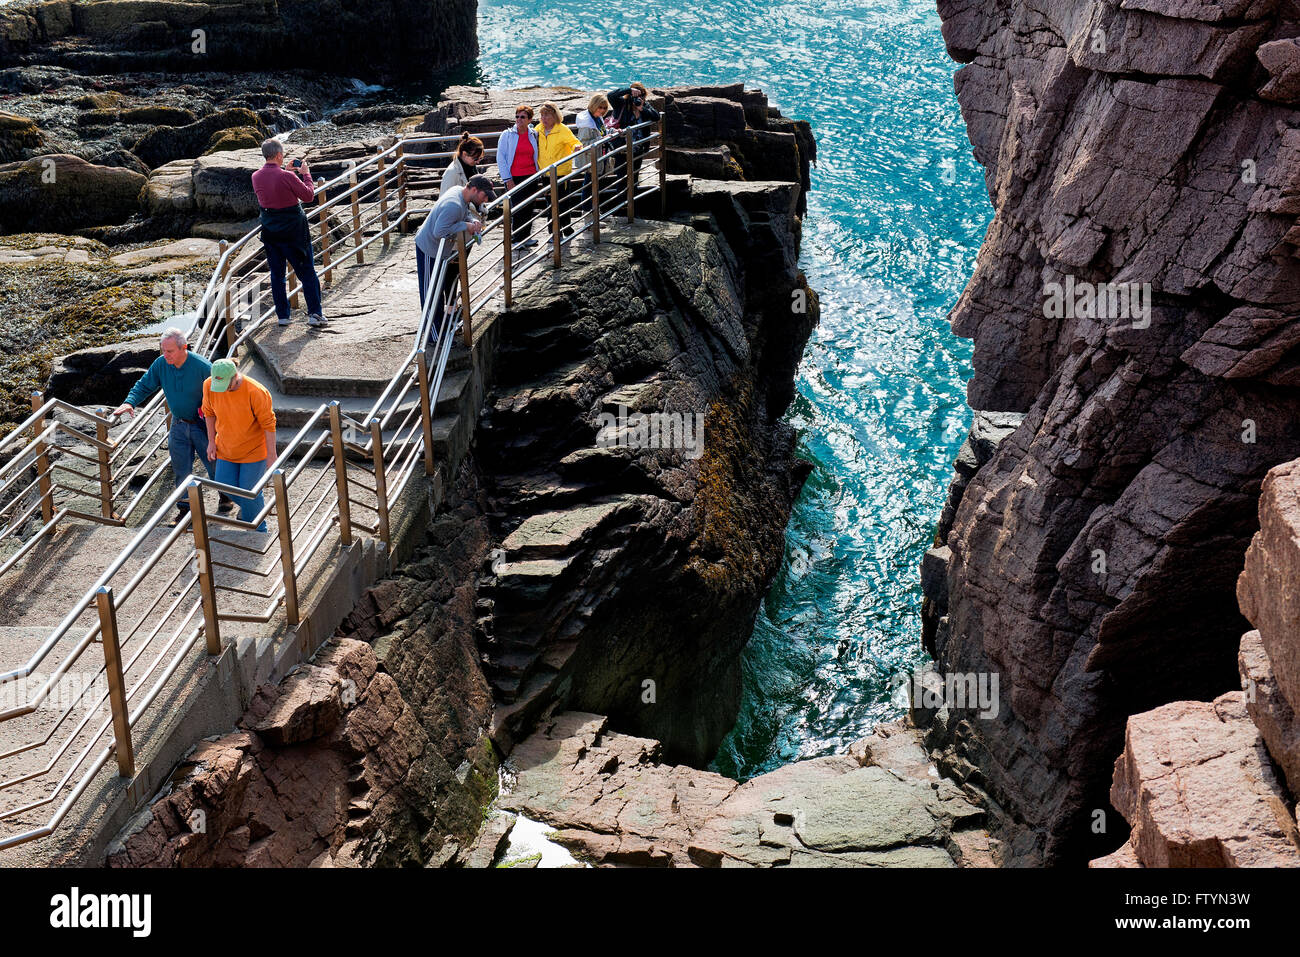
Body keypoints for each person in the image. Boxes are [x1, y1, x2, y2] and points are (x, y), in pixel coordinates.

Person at [112, 328, 236, 523]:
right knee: (181, 468)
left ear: (183, 348)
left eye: (170, 351)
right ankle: (185, 509)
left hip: (203, 425)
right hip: (178, 424)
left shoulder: (202, 367)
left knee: (214, 463)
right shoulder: (161, 364)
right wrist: (129, 402)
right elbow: (144, 384)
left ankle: (226, 495)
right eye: (163, 350)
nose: (165, 355)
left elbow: (223, 395)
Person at [251, 138, 328, 329]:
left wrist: (286, 171)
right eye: (282, 154)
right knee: (307, 272)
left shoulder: (256, 176)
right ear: (278, 155)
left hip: (270, 231)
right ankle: (315, 314)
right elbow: (308, 196)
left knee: (277, 275)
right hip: (294, 232)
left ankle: (283, 316)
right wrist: (306, 175)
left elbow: (273, 188)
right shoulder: (288, 177)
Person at [413, 174, 495, 343]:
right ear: (474, 189)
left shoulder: (459, 193)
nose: (486, 199)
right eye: (484, 195)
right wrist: (466, 226)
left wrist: (472, 220)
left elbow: (463, 214)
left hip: (438, 252)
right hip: (429, 250)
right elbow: (439, 232)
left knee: (437, 291)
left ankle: (439, 329)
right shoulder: (454, 204)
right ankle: (433, 336)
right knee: (431, 294)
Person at [202, 358, 277, 533]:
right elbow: (209, 413)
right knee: (223, 484)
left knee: (249, 490)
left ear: (235, 377)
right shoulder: (208, 385)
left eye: (226, 385)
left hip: (253, 450)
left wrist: (272, 456)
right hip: (226, 448)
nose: (222, 390)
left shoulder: (256, 391)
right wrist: (211, 442)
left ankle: (259, 530)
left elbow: (269, 424)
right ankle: (252, 511)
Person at [534, 101, 584, 238]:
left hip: (561, 173)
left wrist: (577, 147)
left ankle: (566, 229)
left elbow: (575, 142)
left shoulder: (562, 129)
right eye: (542, 115)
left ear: (555, 115)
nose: (544, 118)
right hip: (546, 174)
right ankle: (554, 233)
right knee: (550, 204)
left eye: (547, 115)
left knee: (562, 203)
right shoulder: (538, 129)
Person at [495, 105, 541, 249]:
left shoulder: (533, 134)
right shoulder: (507, 135)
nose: (519, 119)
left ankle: (526, 237)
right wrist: (507, 179)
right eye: (517, 116)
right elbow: (500, 157)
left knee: (529, 207)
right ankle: (516, 239)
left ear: (530, 120)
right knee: (517, 209)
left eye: (523, 117)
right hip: (514, 177)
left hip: (531, 176)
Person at [607, 83, 661, 188]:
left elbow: (656, 117)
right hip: (622, 149)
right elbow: (610, 95)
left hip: (638, 149)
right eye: (636, 95)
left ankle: (632, 202)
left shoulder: (644, 105)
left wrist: (642, 109)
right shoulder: (621, 104)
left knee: (634, 179)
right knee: (622, 179)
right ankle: (623, 203)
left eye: (642, 95)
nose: (639, 98)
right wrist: (628, 90)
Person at [575, 94, 612, 216]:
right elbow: (584, 144)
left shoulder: (596, 118)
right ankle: (588, 215)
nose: (602, 110)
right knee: (589, 187)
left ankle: (594, 214)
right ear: (594, 105)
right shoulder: (587, 123)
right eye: (600, 107)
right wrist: (601, 139)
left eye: (604, 108)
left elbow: (601, 134)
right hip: (591, 159)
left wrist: (609, 133)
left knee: (595, 187)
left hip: (599, 157)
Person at [441, 132, 486, 200]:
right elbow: (444, 200)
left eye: (480, 158)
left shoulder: (471, 166)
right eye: (475, 159)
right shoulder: (451, 173)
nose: (478, 162)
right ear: (464, 154)